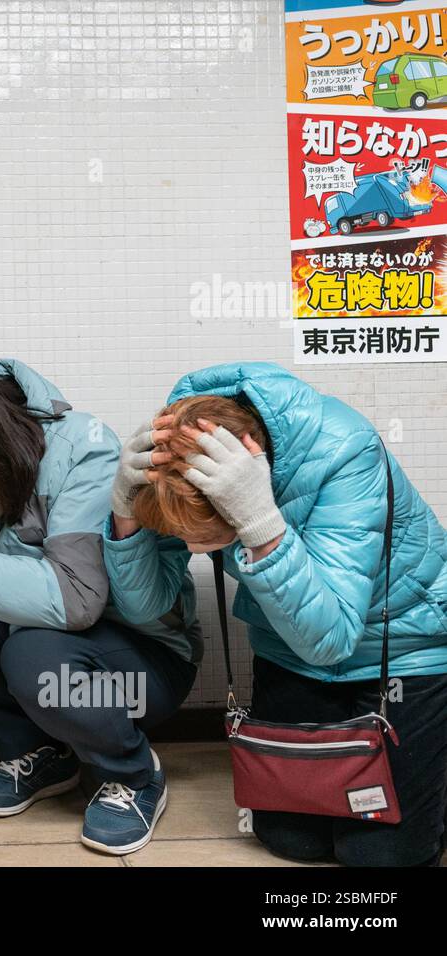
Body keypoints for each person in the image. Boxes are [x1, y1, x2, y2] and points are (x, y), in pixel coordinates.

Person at [105, 362, 447, 867]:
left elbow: (334, 639)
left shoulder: (344, 447)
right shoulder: (178, 459)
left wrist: (261, 524)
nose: (190, 550)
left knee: (379, 858)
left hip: (399, 653)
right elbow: (146, 606)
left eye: (203, 538)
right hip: (291, 650)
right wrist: (124, 511)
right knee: (290, 841)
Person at [0, 359, 200, 855]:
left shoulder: (85, 449)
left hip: (141, 658)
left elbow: (78, 600)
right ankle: (38, 752)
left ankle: (133, 774)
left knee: (31, 654)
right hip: (39, 640)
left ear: (2, 456)